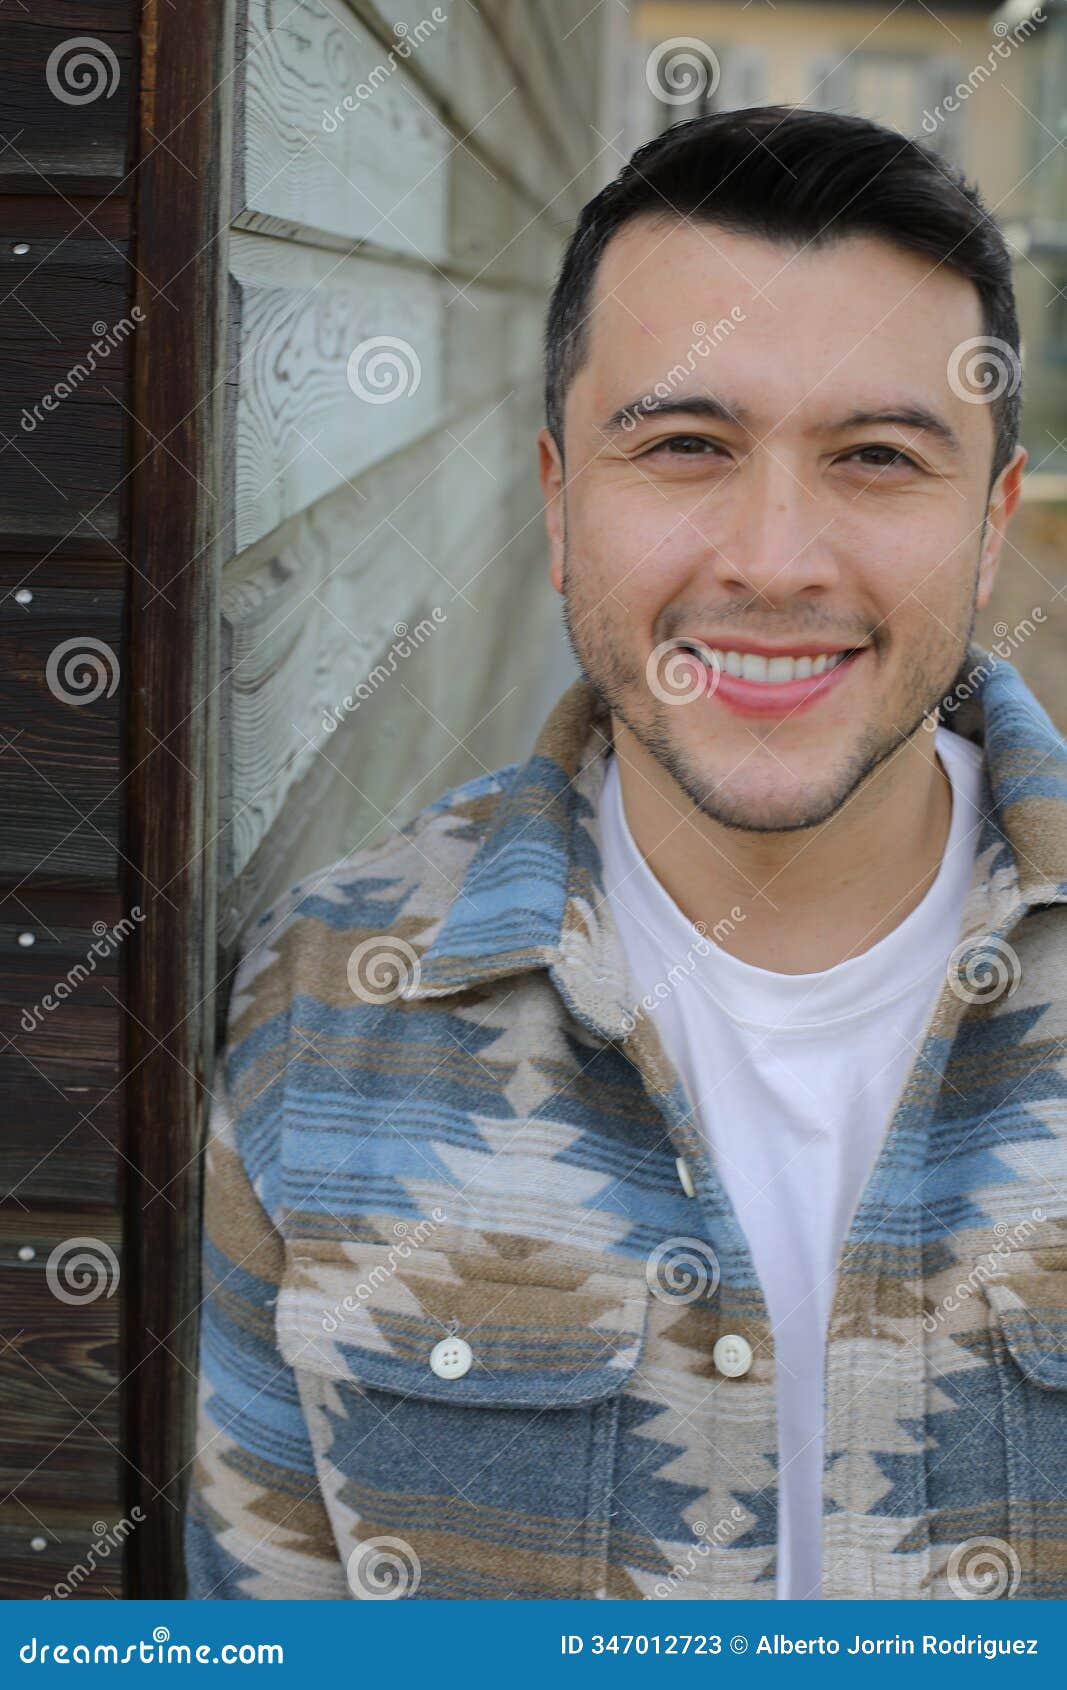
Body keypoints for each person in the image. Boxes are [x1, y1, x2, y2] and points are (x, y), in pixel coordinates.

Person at [184, 105, 1067, 1602]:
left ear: (990, 525)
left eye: (874, 456)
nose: (775, 559)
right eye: (684, 445)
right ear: (557, 500)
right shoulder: (324, 1016)